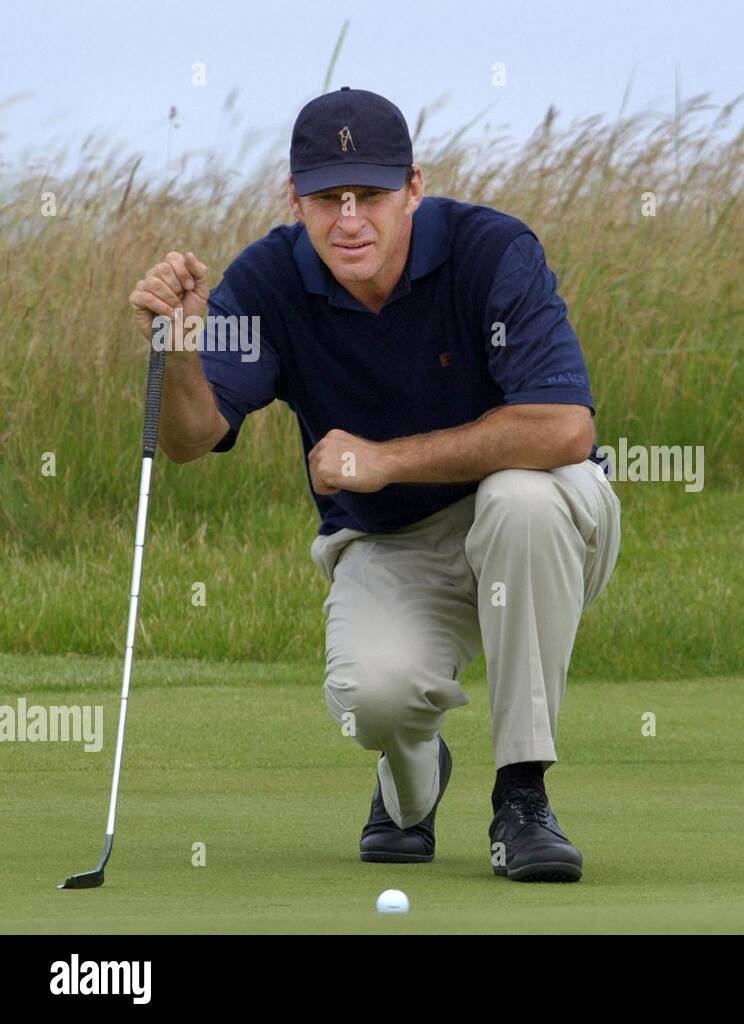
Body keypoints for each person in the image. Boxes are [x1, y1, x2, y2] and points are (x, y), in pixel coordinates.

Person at [127, 87, 621, 883]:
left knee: (518, 501)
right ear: (295, 198)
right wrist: (178, 350)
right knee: (375, 699)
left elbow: (565, 428)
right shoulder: (266, 282)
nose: (349, 218)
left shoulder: (493, 251)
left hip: (546, 521)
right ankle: (410, 786)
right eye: (327, 197)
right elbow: (193, 438)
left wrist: (386, 459)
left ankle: (522, 796)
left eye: (371, 195)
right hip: (393, 542)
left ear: (414, 188)